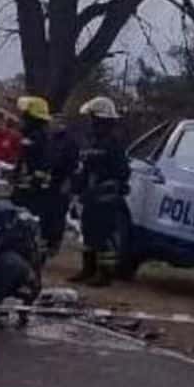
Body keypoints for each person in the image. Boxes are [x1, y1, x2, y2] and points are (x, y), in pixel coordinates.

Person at [70, 96, 130, 287]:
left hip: (106, 197)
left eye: (93, 118)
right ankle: (88, 269)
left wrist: (106, 187)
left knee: (104, 236)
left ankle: (105, 274)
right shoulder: (94, 142)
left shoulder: (113, 144)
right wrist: (78, 187)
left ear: (101, 119)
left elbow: (122, 173)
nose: (91, 123)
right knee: (88, 233)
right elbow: (86, 169)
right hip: (91, 195)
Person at [11, 96, 54, 254]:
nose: (22, 119)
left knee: (31, 222)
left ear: (32, 117)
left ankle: (33, 253)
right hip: (28, 188)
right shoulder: (33, 136)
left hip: (34, 191)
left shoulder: (39, 137)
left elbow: (42, 164)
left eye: (25, 115)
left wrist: (33, 182)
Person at [45, 113, 79, 255]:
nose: (52, 125)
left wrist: (68, 182)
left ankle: (55, 243)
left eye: (56, 122)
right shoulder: (50, 139)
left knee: (58, 213)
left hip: (62, 181)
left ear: (62, 124)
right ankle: (46, 241)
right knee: (47, 212)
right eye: (52, 122)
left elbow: (73, 165)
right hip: (49, 181)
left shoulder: (70, 142)